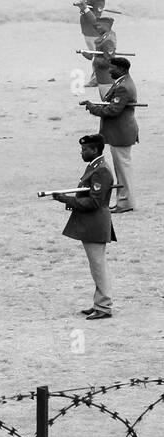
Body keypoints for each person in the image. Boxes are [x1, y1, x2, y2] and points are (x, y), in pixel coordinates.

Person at [52, 134, 115, 319]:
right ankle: (99, 303)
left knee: (98, 267)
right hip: (92, 224)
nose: (82, 152)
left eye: (85, 149)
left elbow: (94, 202)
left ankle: (104, 306)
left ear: (95, 150)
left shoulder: (100, 170)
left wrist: (66, 199)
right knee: (96, 266)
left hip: (94, 224)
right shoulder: (96, 166)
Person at [82, 57, 138, 213]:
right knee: (122, 169)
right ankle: (124, 201)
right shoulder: (122, 82)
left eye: (112, 68)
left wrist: (93, 108)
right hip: (120, 132)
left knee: (123, 170)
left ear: (121, 69)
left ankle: (126, 202)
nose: (109, 70)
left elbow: (113, 110)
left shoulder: (123, 87)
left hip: (121, 133)